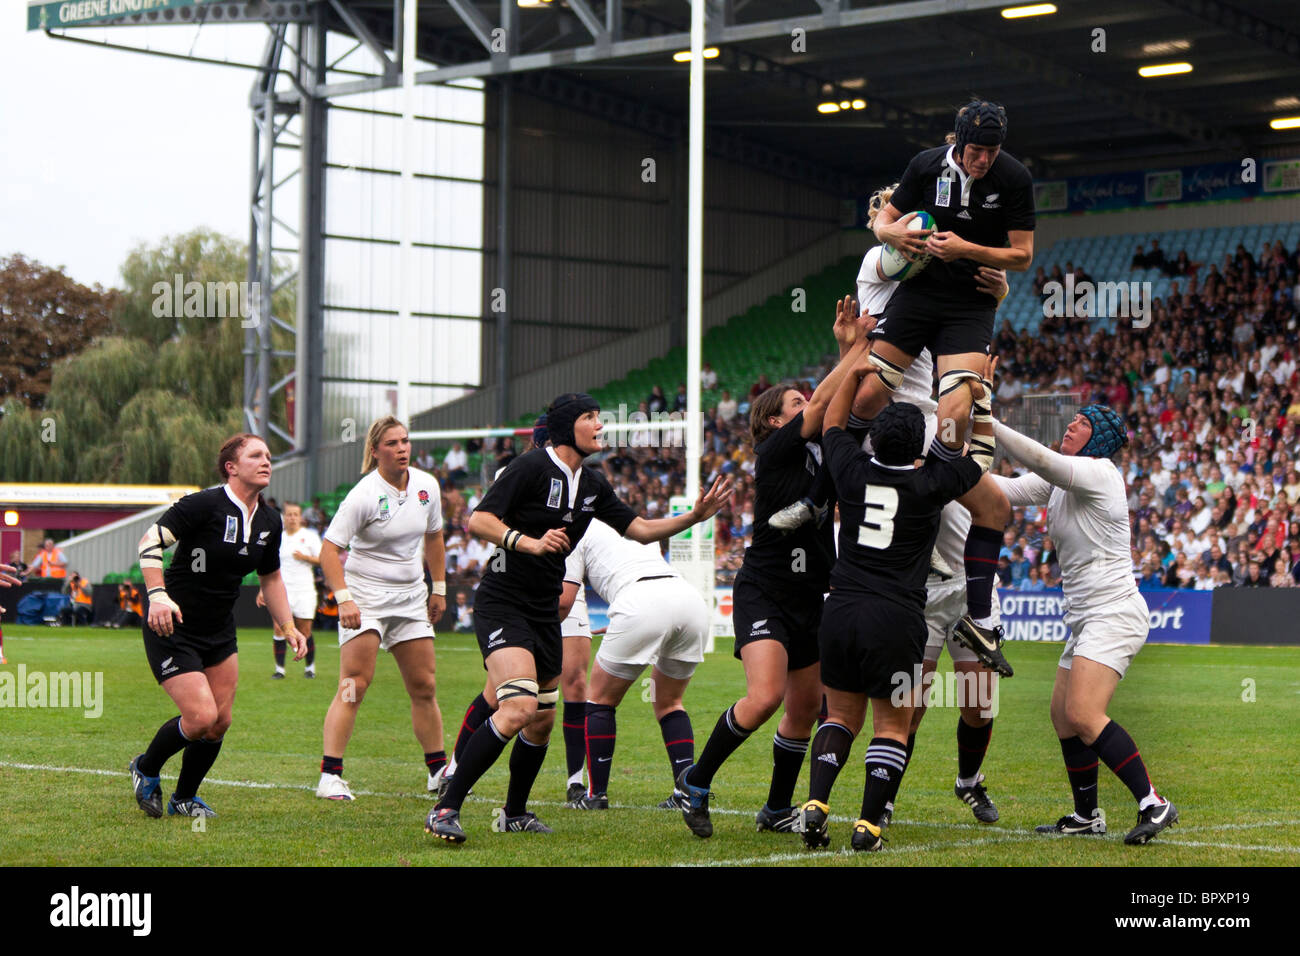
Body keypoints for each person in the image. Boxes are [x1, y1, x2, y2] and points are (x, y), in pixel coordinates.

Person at [424, 392, 731, 844]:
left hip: (545, 611)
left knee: (543, 719)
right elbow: (479, 520)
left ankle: (514, 812)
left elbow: (641, 530)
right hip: (504, 602)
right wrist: (527, 542)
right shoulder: (529, 467)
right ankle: (445, 808)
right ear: (569, 427)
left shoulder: (592, 484)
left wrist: (695, 516)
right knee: (519, 707)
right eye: (592, 419)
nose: (601, 427)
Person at [675, 300, 869, 839]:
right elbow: (827, 399)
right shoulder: (775, 451)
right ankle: (697, 782)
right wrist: (856, 345)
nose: (806, 402)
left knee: (805, 709)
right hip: (764, 589)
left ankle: (776, 808)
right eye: (795, 402)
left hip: (810, 596)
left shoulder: (822, 453)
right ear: (775, 420)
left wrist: (848, 347)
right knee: (765, 698)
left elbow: (836, 408)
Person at [798, 353, 996, 852]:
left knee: (839, 717)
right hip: (897, 614)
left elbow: (835, 424)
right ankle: (868, 825)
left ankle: (816, 804)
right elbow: (982, 457)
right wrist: (982, 399)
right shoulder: (930, 481)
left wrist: (860, 371)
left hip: (841, 608)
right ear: (919, 450)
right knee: (892, 724)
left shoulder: (849, 468)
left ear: (876, 440)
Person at [852, 169, 1022, 676]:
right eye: (898, 212)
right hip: (892, 414)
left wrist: (1000, 288)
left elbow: (972, 290)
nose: (916, 223)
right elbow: (899, 254)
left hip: (917, 415)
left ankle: (969, 616)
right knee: (987, 503)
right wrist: (908, 231)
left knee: (962, 518)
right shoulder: (883, 258)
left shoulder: (931, 271)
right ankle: (978, 618)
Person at [991, 407, 1179, 844]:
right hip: (1086, 618)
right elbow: (1008, 489)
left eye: (1081, 423)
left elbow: (1040, 460)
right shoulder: (1064, 481)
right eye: (1071, 420)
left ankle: (1154, 802)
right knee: (1062, 717)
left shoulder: (1099, 472)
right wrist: (949, 462)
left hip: (1113, 612)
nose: (1070, 426)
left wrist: (990, 420)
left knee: (1082, 714)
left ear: (1097, 440)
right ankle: (1087, 815)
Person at [128, 433, 306, 818]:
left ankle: (184, 797)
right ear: (231, 467)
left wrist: (289, 626)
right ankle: (145, 768)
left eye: (269, 456)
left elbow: (271, 577)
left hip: (220, 630)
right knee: (200, 717)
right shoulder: (202, 505)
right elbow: (148, 542)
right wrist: (158, 595)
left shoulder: (270, 520)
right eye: (256, 455)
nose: (266, 461)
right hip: (173, 625)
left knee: (219, 723)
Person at [316, 416, 448, 801]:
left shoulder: (427, 486)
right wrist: (345, 599)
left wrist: (438, 589)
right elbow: (329, 551)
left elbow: (435, 537)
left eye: (405, 441)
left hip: (410, 596)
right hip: (366, 596)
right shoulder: (363, 494)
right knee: (354, 685)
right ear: (375, 451)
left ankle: (438, 771)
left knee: (425, 685)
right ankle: (330, 776)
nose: (402, 448)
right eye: (392, 443)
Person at [559, 519, 710, 809]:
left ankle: (595, 796)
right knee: (669, 702)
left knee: (599, 700)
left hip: (639, 602)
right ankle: (684, 794)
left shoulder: (576, 530)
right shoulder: (635, 523)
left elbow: (565, 601)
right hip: (688, 600)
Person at [257, 502, 320, 679]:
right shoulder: (279, 537)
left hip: (305, 589)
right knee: (279, 628)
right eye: (289, 514)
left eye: (295, 514)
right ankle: (280, 670)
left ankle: (310, 668)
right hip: (282, 590)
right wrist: (263, 590)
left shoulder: (310, 537)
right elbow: (268, 567)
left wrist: (305, 557)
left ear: (301, 517)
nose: (292, 517)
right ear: (284, 517)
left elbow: (323, 559)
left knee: (304, 630)